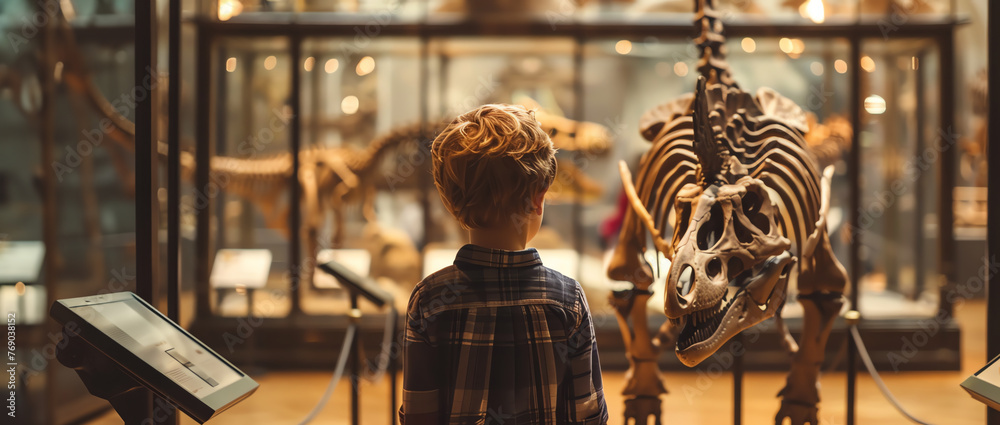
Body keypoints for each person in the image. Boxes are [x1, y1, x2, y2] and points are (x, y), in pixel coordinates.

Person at [399, 104, 609, 425]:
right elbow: (588, 414)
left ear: (450, 201)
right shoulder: (569, 299)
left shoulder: (428, 300)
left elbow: (419, 415)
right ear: (539, 199)